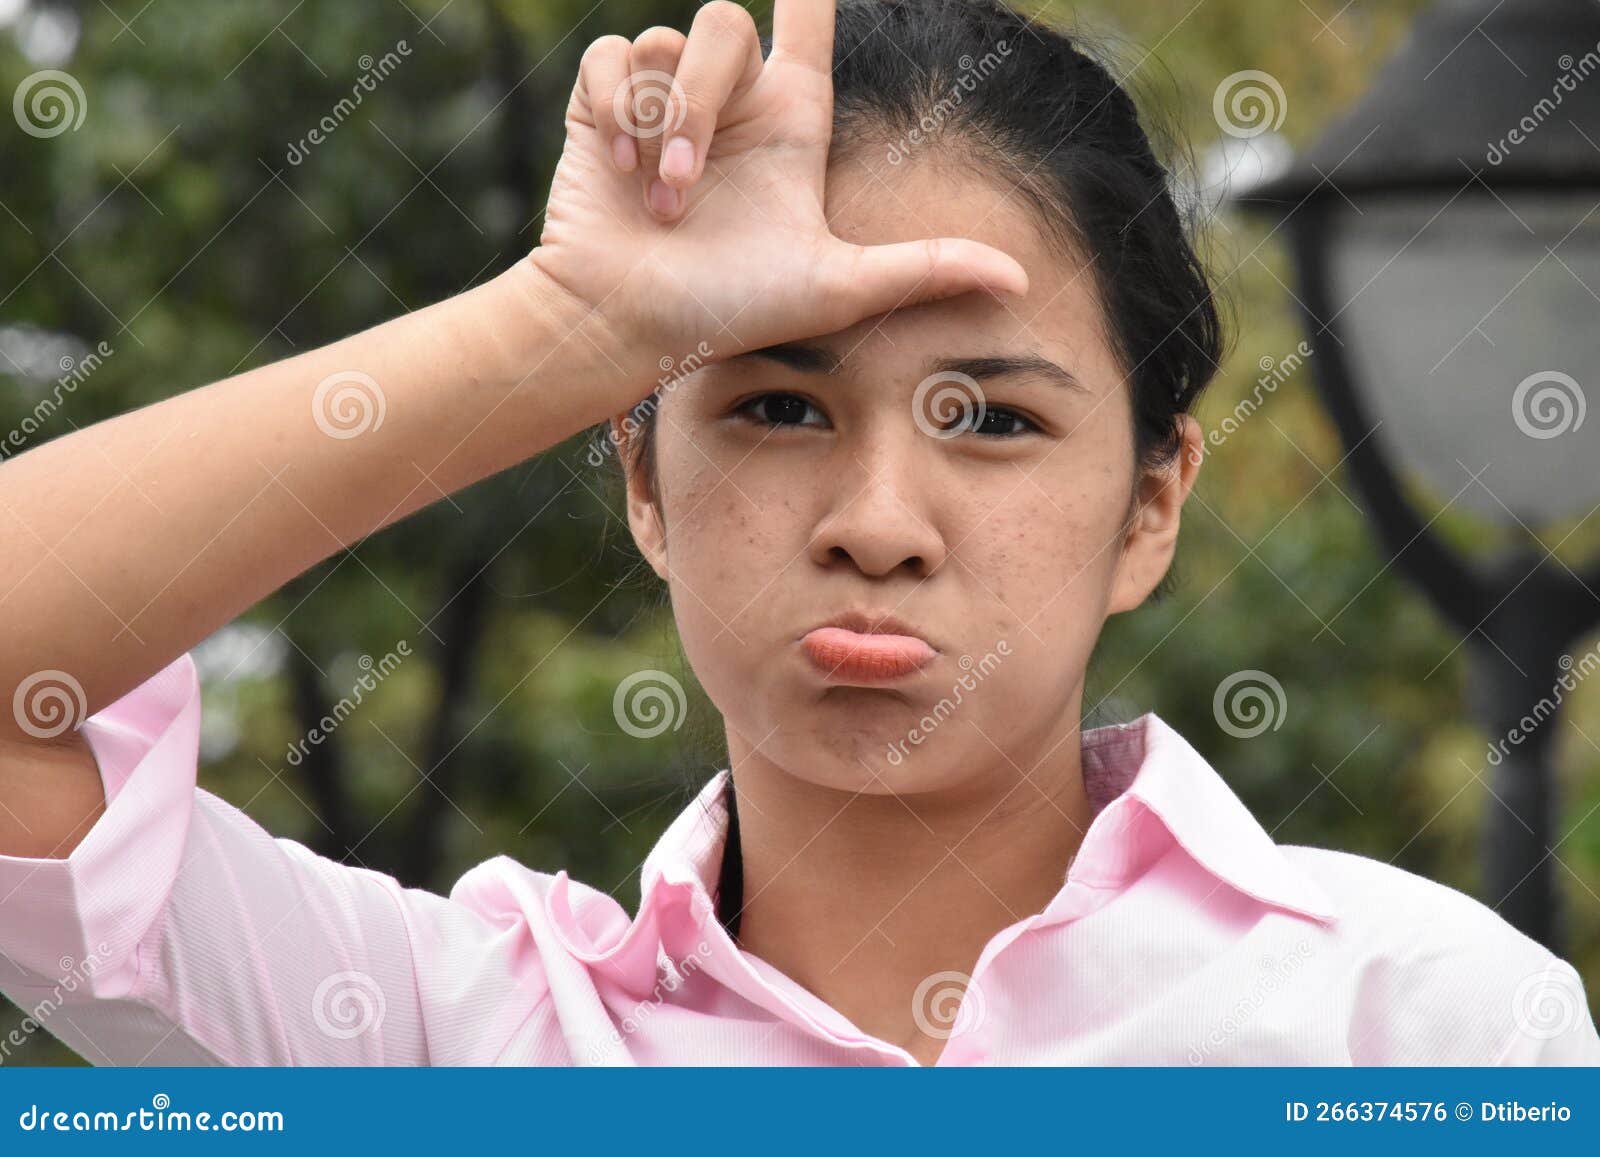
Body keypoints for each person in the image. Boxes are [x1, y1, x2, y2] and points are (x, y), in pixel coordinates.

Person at [2, 0, 1596, 1067]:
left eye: (995, 417)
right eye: (776, 407)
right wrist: (569, 321)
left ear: (1153, 504)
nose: (878, 524)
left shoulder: (1427, 1024)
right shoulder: (448, 1034)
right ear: (643, 485)